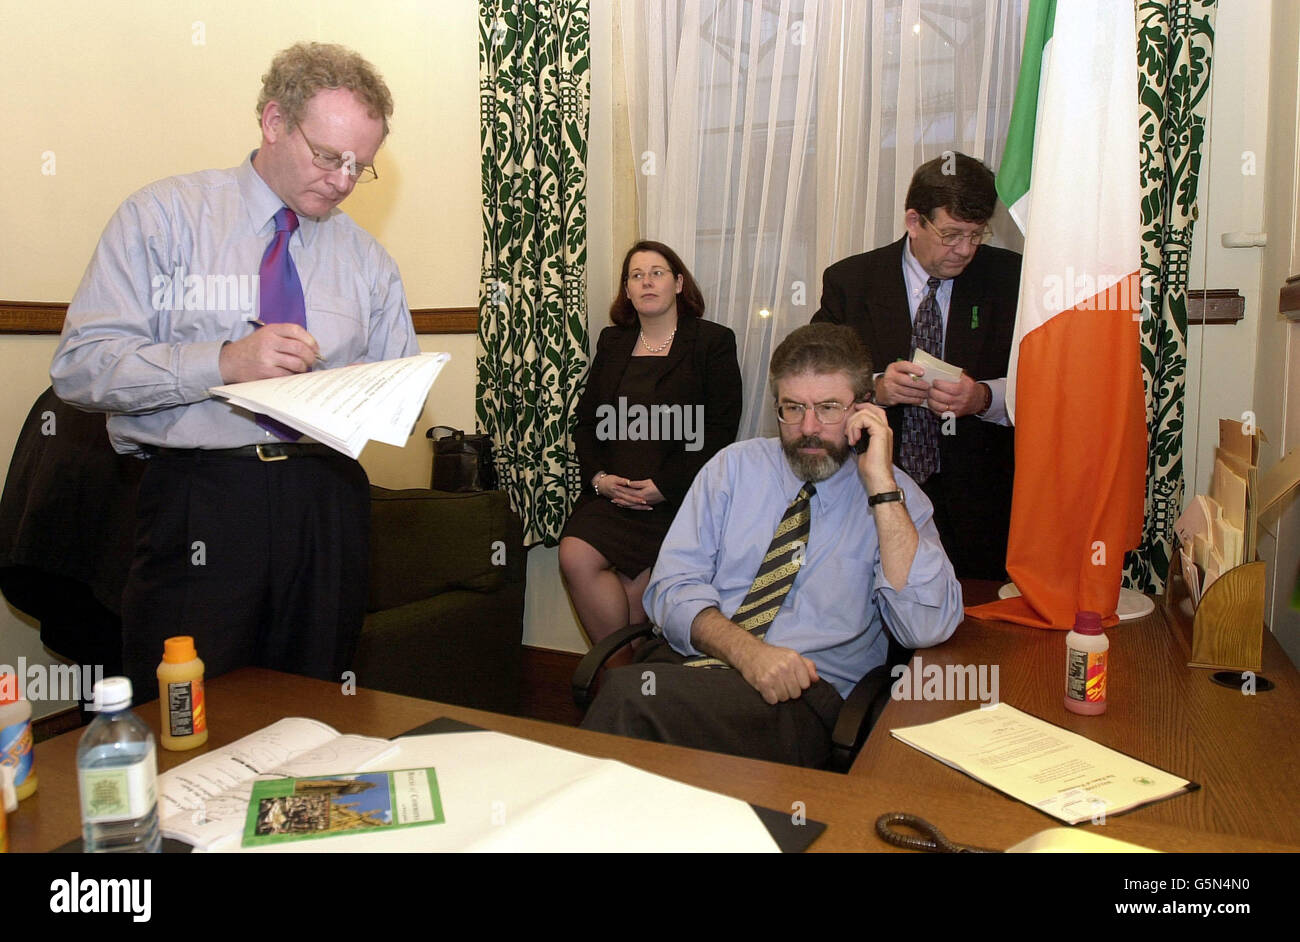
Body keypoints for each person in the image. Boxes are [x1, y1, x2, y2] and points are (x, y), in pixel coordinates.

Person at [50, 42, 417, 698]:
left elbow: (404, 397)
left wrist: (372, 391)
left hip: (326, 503)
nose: (342, 180)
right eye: (328, 156)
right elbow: (81, 367)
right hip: (202, 501)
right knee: (188, 712)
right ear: (274, 122)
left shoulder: (367, 260)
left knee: (315, 708)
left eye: (360, 166)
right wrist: (222, 362)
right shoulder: (163, 219)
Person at [580, 324, 961, 768]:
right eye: (792, 408)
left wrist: (881, 487)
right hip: (695, 667)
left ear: (864, 409)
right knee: (637, 713)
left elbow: (926, 627)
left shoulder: (897, 499)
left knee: (629, 705)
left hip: (799, 697)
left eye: (828, 408)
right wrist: (747, 652)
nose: (808, 428)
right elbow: (671, 588)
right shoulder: (732, 468)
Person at [812, 152, 1020, 580]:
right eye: (951, 235)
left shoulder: (1011, 278)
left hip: (980, 503)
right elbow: (813, 380)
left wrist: (984, 397)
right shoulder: (851, 282)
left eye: (976, 234)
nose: (965, 250)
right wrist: (874, 389)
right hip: (871, 497)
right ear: (914, 221)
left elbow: (1048, 382)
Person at [559, 241, 741, 648]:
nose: (646, 282)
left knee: (635, 605)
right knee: (574, 554)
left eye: (657, 273)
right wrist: (599, 480)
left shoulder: (712, 341)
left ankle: (617, 677)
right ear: (627, 290)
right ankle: (618, 673)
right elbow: (587, 423)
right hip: (612, 495)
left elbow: (719, 430)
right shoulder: (612, 342)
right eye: (636, 276)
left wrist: (665, 486)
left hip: (677, 500)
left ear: (678, 283)